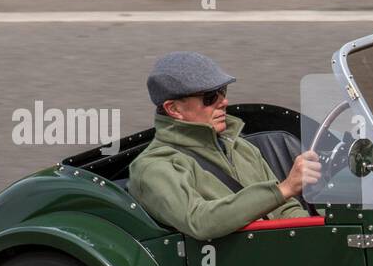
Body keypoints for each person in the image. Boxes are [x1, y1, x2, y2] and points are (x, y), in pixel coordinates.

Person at [129, 52, 321, 241]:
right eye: (210, 97)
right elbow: (199, 222)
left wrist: (325, 229)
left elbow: (285, 210)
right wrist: (284, 189)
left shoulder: (239, 147)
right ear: (174, 109)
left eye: (223, 92)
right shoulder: (154, 167)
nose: (224, 102)